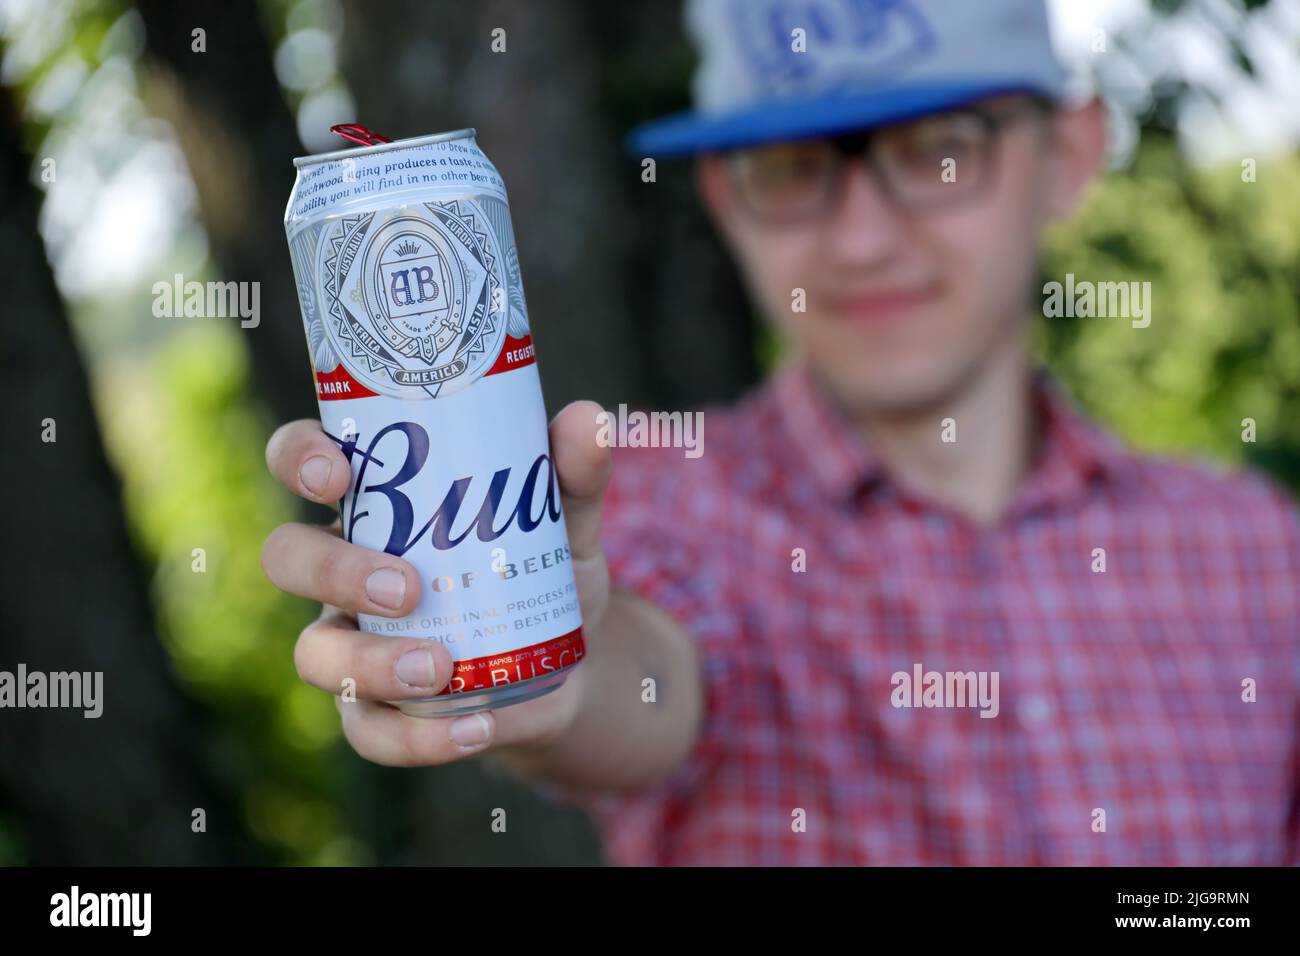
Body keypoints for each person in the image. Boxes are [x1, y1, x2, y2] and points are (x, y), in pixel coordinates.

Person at [260, 0, 1300, 865]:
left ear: (1068, 154)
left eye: (939, 152)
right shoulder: (666, 497)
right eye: (793, 168)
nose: (858, 236)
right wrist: (544, 652)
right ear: (726, 197)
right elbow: (642, 671)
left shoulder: (1261, 554)